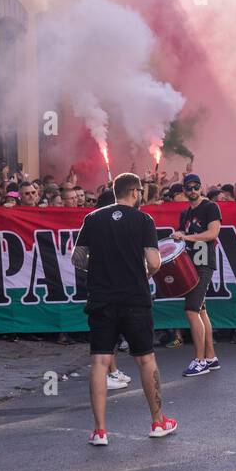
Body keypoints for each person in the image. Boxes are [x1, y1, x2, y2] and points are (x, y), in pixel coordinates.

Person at [71, 172, 176, 445]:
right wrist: (143, 274)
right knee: (145, 359)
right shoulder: (144, 220)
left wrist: (99, 269)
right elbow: (154, 261)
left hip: (101, 299)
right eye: (140, 191)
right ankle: (157, 421)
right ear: (134, 192)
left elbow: (77, 258)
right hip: (134, 298)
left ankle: (100, 430)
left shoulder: (93, 218)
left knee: (100, 361)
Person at [172, 173, 223, 374]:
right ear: (184, 190)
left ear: (201, 187)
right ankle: (211, 358)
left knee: (191, 310)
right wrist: (177, 236)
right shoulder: (184, 214)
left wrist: (187, 236)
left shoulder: (210, 207)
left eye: (196, 187)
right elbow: (182, 235)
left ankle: (199, 360)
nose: (192, 190)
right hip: (189, 266)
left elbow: (212, 233)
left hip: (203, 264)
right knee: (200, 310)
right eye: (189, 187)